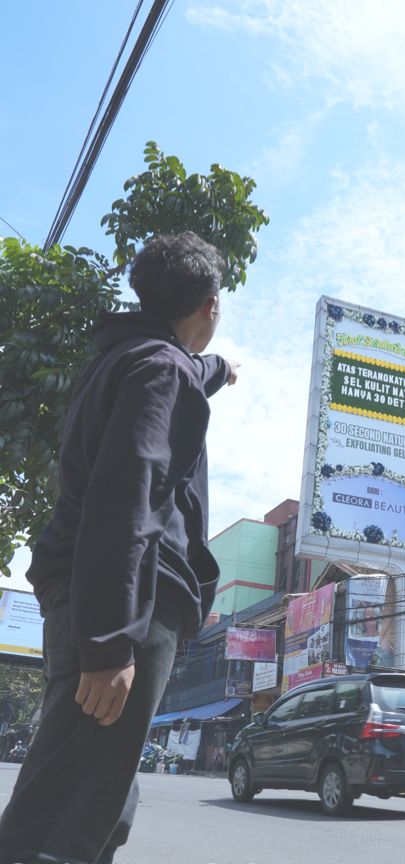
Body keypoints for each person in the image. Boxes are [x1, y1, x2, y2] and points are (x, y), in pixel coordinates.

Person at [0, 233, 238, 864]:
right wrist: (109, 643)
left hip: (101, 593)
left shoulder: (132, 359)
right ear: (210, 306)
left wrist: (219, 369)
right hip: (130, 602)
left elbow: (191, 369)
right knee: (64, 817)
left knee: (105, 803)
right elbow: (126, 497)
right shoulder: (161, 370)